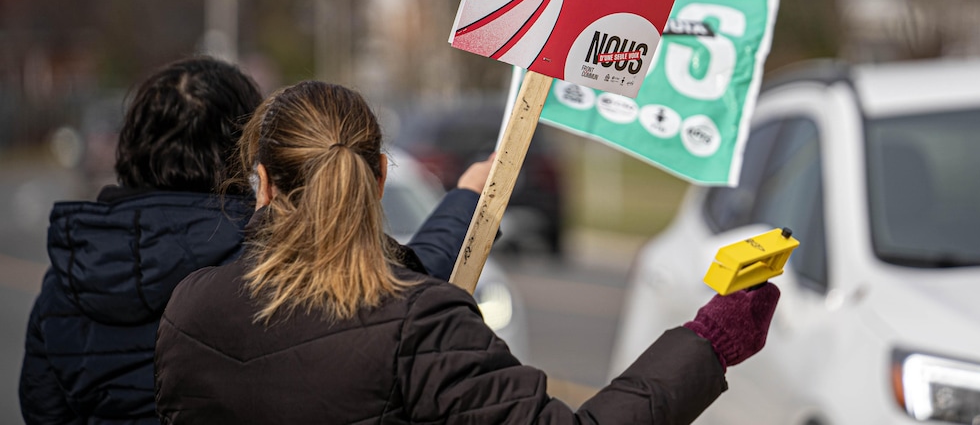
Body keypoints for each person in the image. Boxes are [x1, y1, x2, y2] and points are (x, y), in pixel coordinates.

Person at [154, 80, 780, 424]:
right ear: (377, 179)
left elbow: (366, 299)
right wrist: (709, 341)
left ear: (261, 182)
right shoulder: (418, 327)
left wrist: (462, 204)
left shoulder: (188, 313)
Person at [20, 57, 481, 425]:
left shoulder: (67, 279)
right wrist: (467, 201)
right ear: (250, 152)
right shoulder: (264, 258)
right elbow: (392, 308)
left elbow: (43, 408)